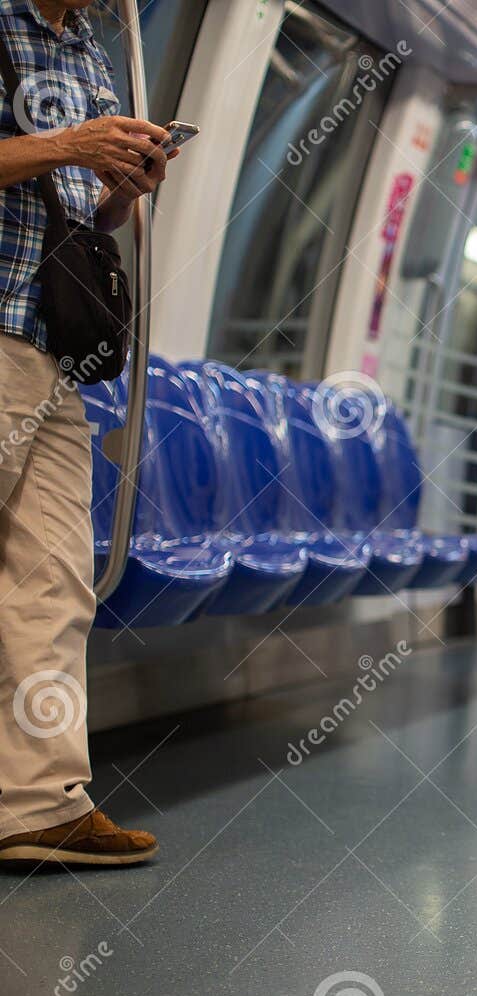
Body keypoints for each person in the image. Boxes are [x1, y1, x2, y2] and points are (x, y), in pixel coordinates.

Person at [0, 0, 180, 867]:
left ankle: (36, 802)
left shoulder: (90, 54)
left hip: (53, 343)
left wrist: (122, 185)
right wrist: (70, 144)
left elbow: (84, 210)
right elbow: (49, 159)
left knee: (53, 576)